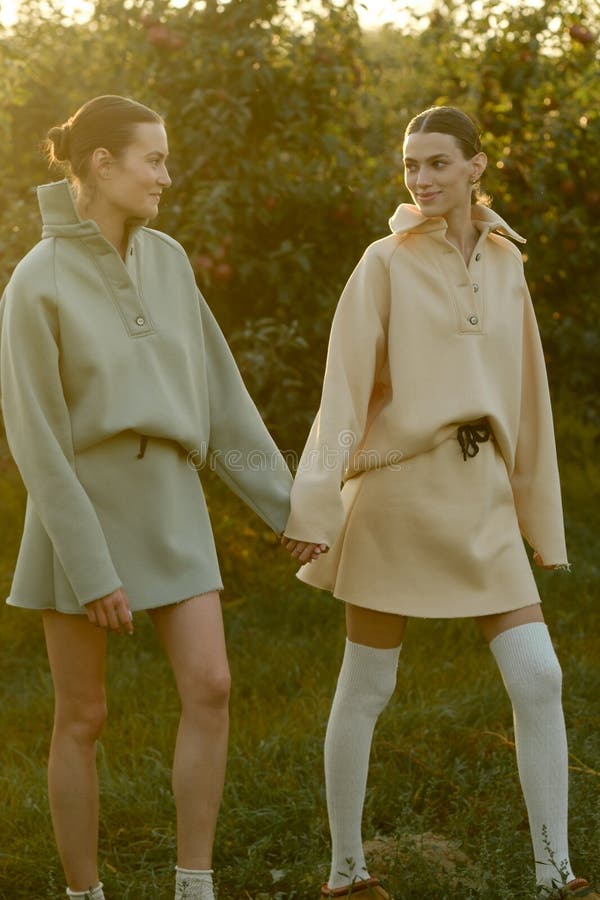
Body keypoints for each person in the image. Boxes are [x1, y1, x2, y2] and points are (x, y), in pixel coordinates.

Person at [282, 106, 598, 900]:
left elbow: (527, 398)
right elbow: (344, 393)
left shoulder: (506, 262)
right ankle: (345, 874)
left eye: (437, 163)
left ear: (477, 167)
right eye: (410, 165)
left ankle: (555, 876)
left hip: (482, 497)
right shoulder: (382, 262)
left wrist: (537, 518)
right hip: (397, 497)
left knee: (539, 676)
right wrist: (314, 506)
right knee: (368, 685)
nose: (421, 179)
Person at [0, 95, 292, 900]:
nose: (168, 174)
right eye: (153, 159)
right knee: (83, 716)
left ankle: (193, 884)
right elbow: (38, 445)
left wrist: (289, 509)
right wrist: (92, 570)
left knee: (212, 685)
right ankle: (83, 893)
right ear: (103, 164)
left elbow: (222, 399)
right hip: (80, 515)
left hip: (172, 499)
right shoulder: (35, 282)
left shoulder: (168, 260)